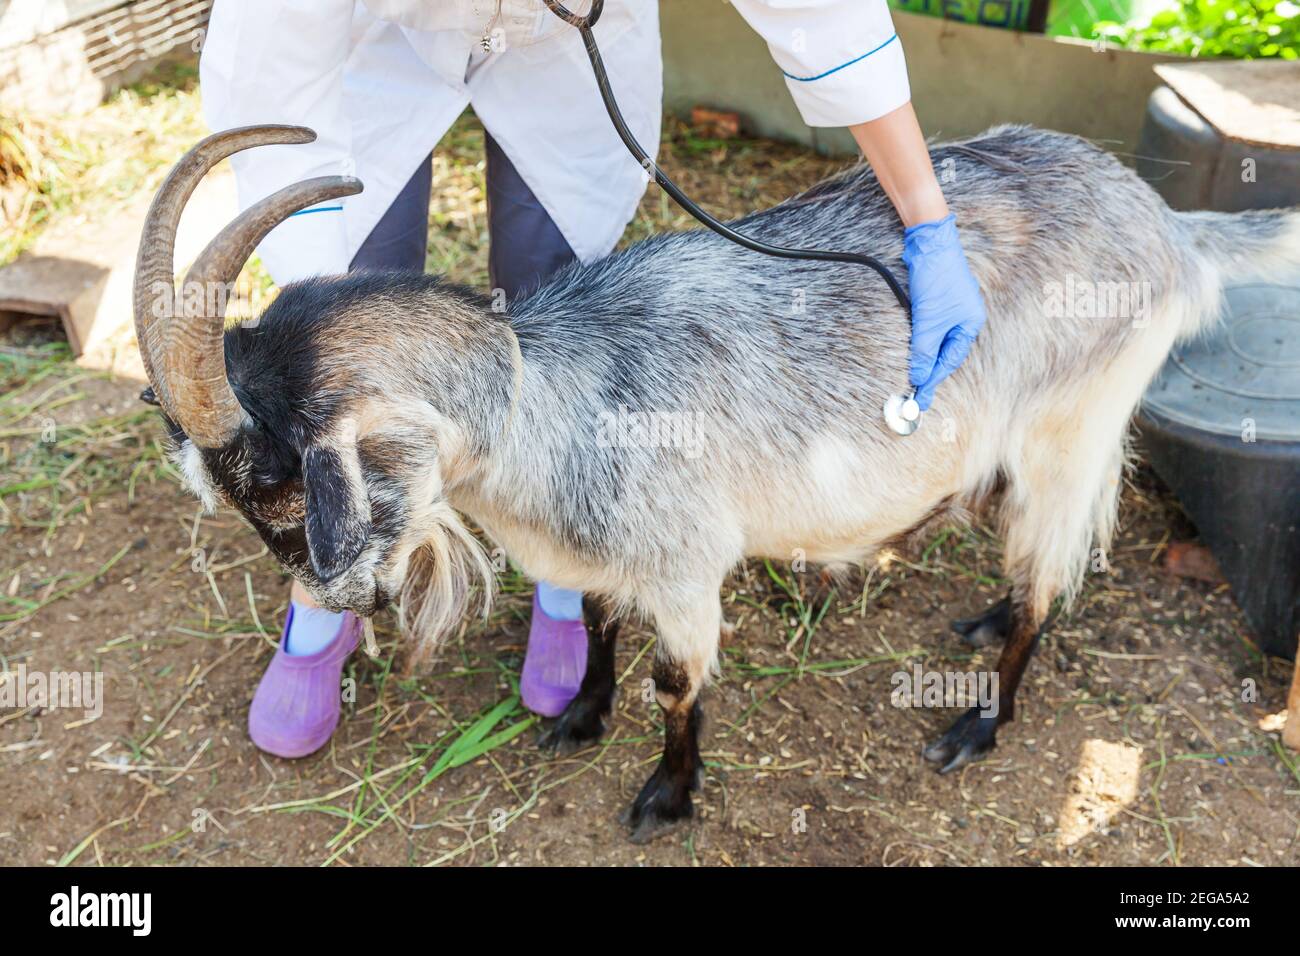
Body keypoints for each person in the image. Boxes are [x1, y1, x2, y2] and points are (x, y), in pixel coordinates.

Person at [199, 0, 987, 758]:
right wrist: (331, 356)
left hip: (567, 55)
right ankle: (325, 597)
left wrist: (925, 213)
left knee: (549, 302)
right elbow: (270, 68)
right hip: (369, 45)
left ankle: (571, 573)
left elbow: (821, 8)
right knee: (354, 307)